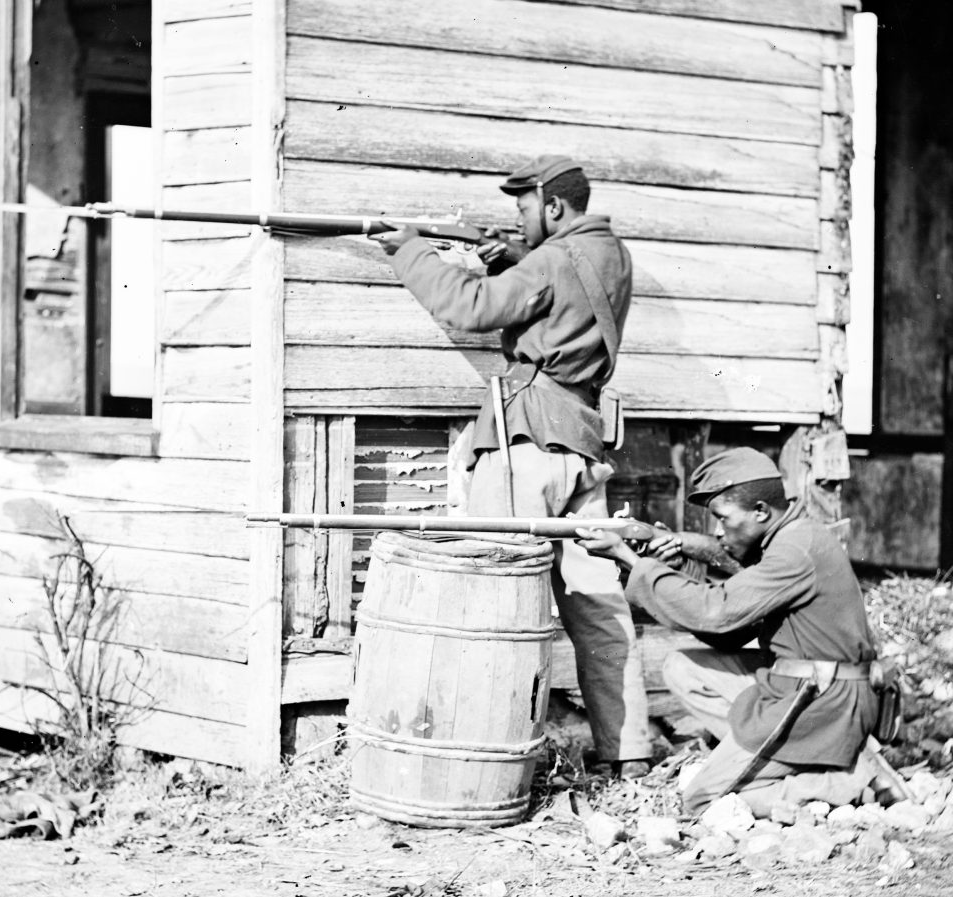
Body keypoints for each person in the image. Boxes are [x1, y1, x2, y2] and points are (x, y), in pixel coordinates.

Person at [370, 155, 651, 776]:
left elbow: (467, 308)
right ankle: (627, 754)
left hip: (526, 447)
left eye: (525, 210)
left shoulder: (550, 260)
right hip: (582, 447)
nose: (519, 221)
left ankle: (485, 758)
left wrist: (412, 251)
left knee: (496, 602)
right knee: (598, 605)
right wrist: (513, 262)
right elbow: (562, 305)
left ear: (554, 207)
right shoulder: (609, 253)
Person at [576, 447, 883, 816]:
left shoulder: (794, 551)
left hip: (822, 701)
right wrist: (677, 556)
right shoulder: (792, 538)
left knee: (699, 798)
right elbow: (730, 632)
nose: (718, 532)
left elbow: (715, 612)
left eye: (723, 519)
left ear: (760, 512)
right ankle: (788, 757)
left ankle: (847, 781)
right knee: (683, 667)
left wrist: (630, 559)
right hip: (804, 688)